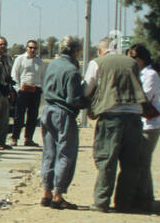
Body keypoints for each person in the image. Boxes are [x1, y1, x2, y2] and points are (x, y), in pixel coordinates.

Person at [83, 37, 149, 213]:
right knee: (130, 163)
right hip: (135, 117)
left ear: (100, 50)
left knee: (107, 160)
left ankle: (101, 202)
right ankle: (124, 203)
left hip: (111, 116)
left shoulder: (97, 63)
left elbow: (87, 89)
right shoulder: (131, 63)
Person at [39, 37, 84, 210]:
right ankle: (58, 195)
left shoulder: (52, 65)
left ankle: (46, 192)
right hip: (63, 113)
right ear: (75, 51)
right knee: (65, 153)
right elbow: (73, 99)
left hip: (48, 111)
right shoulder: (72, 71)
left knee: (49, 152)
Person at [127, 44, 160, 211]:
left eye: (134, 57)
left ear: (141, 58)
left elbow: (143, 98)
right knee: (140, 161)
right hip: (141, 123)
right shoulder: (139, 74)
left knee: (143, 161)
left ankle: (146, 199)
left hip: (150, 124)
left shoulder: (150, 75)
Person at [11, 39, 45, 147]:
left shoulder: (40, 62)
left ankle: (28, 139)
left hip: (35, 91)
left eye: (34, 48)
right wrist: (18, 88)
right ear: (26, 48)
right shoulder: (20, 59)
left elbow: (43, 77)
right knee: (19, 116)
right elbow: (14, 74)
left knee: (33, 116)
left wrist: (41, 88)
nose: (32, 50)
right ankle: (15, 138)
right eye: (30, 47)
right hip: (23, 91)